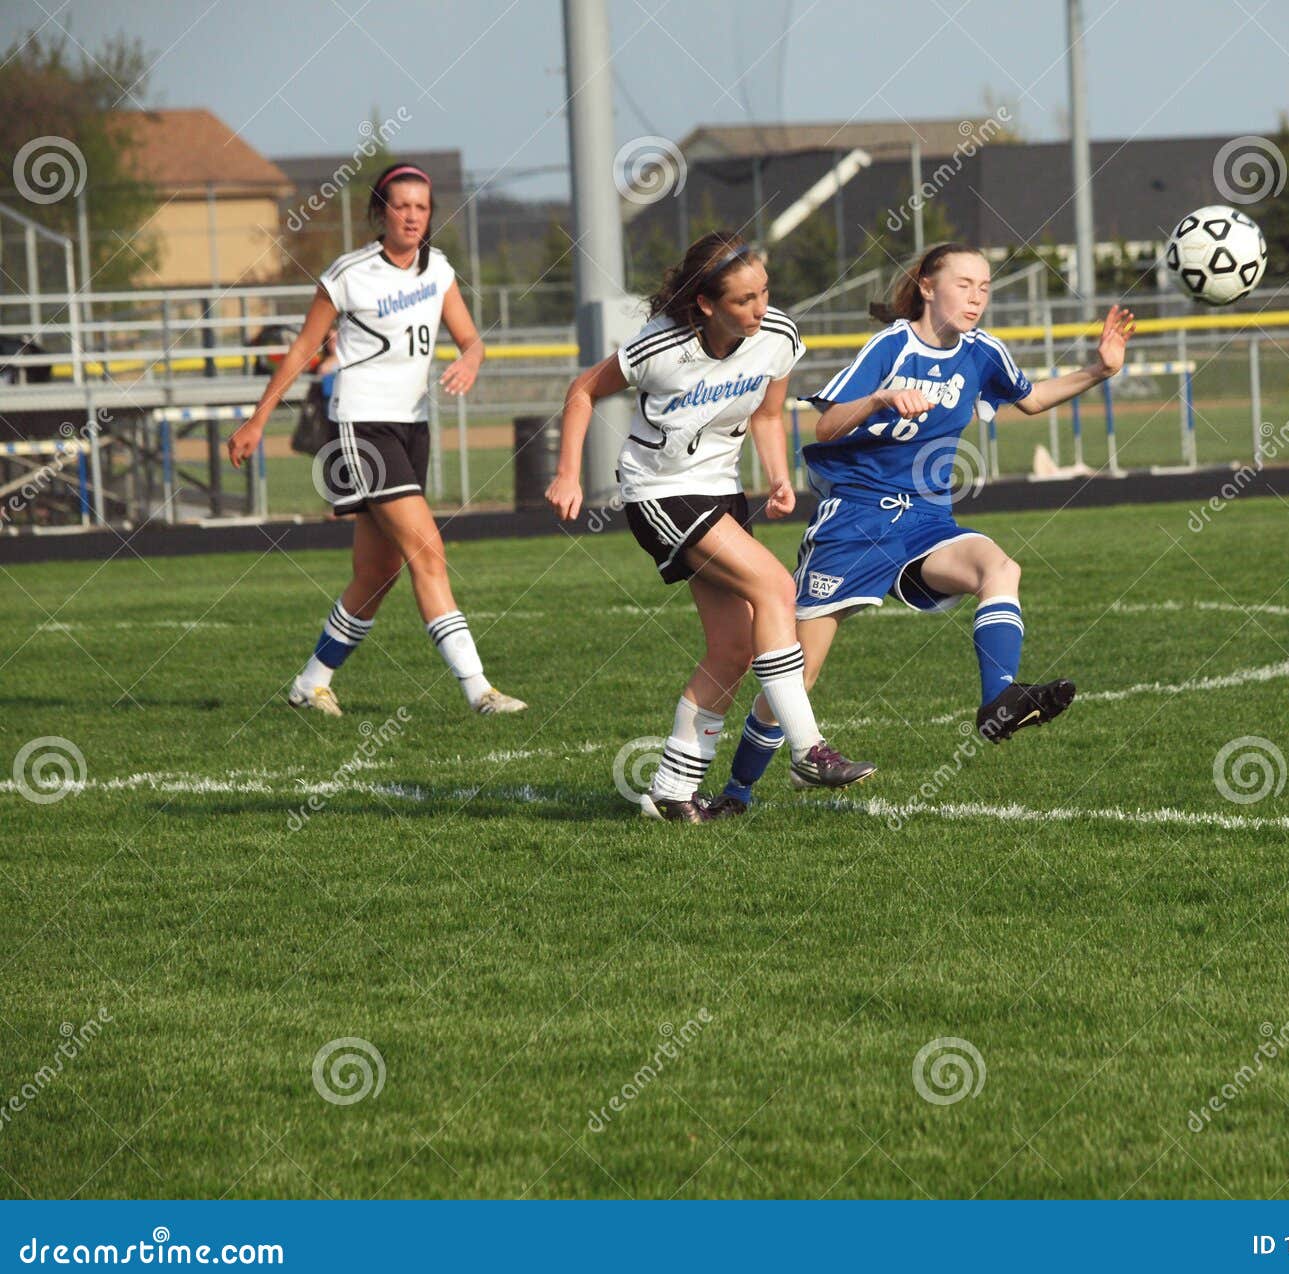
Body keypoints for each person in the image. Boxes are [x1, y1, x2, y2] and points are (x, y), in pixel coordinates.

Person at [711, 242, 1134, 814]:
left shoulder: (983, 352)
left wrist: (1099, 370)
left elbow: (1030, 401)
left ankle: (998, 701)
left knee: (999, 567)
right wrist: (881, 397)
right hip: (856, 521)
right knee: (797, 676)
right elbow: (829, 422)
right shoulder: (891, 346)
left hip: (928, 518)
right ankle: (737, 791)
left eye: (985, 287)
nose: (977, 297)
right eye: (964, 284)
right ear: (929, 287)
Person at [545, 231, 875, 823]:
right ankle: (807, 751)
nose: (760, 308)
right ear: (705, 304)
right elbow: (582, 391)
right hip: (658, 493)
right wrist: (568, 473)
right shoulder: (659, 347)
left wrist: (777, 476)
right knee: (776, 588)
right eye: (744, 299)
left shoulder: (777, 335)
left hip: (720, 491)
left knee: (734, 648)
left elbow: (770, 414)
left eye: (764, 292)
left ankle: (672, 791)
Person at [228, 161, 525, 717]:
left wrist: (471, 359)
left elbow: (471, 340)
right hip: (360, 427)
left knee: (376, 573)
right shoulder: (350, 272)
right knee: (428, 553)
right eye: (401, 206)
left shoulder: (438, 270)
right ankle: (479, 691)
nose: (413, 216)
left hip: (412, 427)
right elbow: (301, 351)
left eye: (422, 207)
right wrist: (257, 419)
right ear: (380, 213)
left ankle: (310, 683)